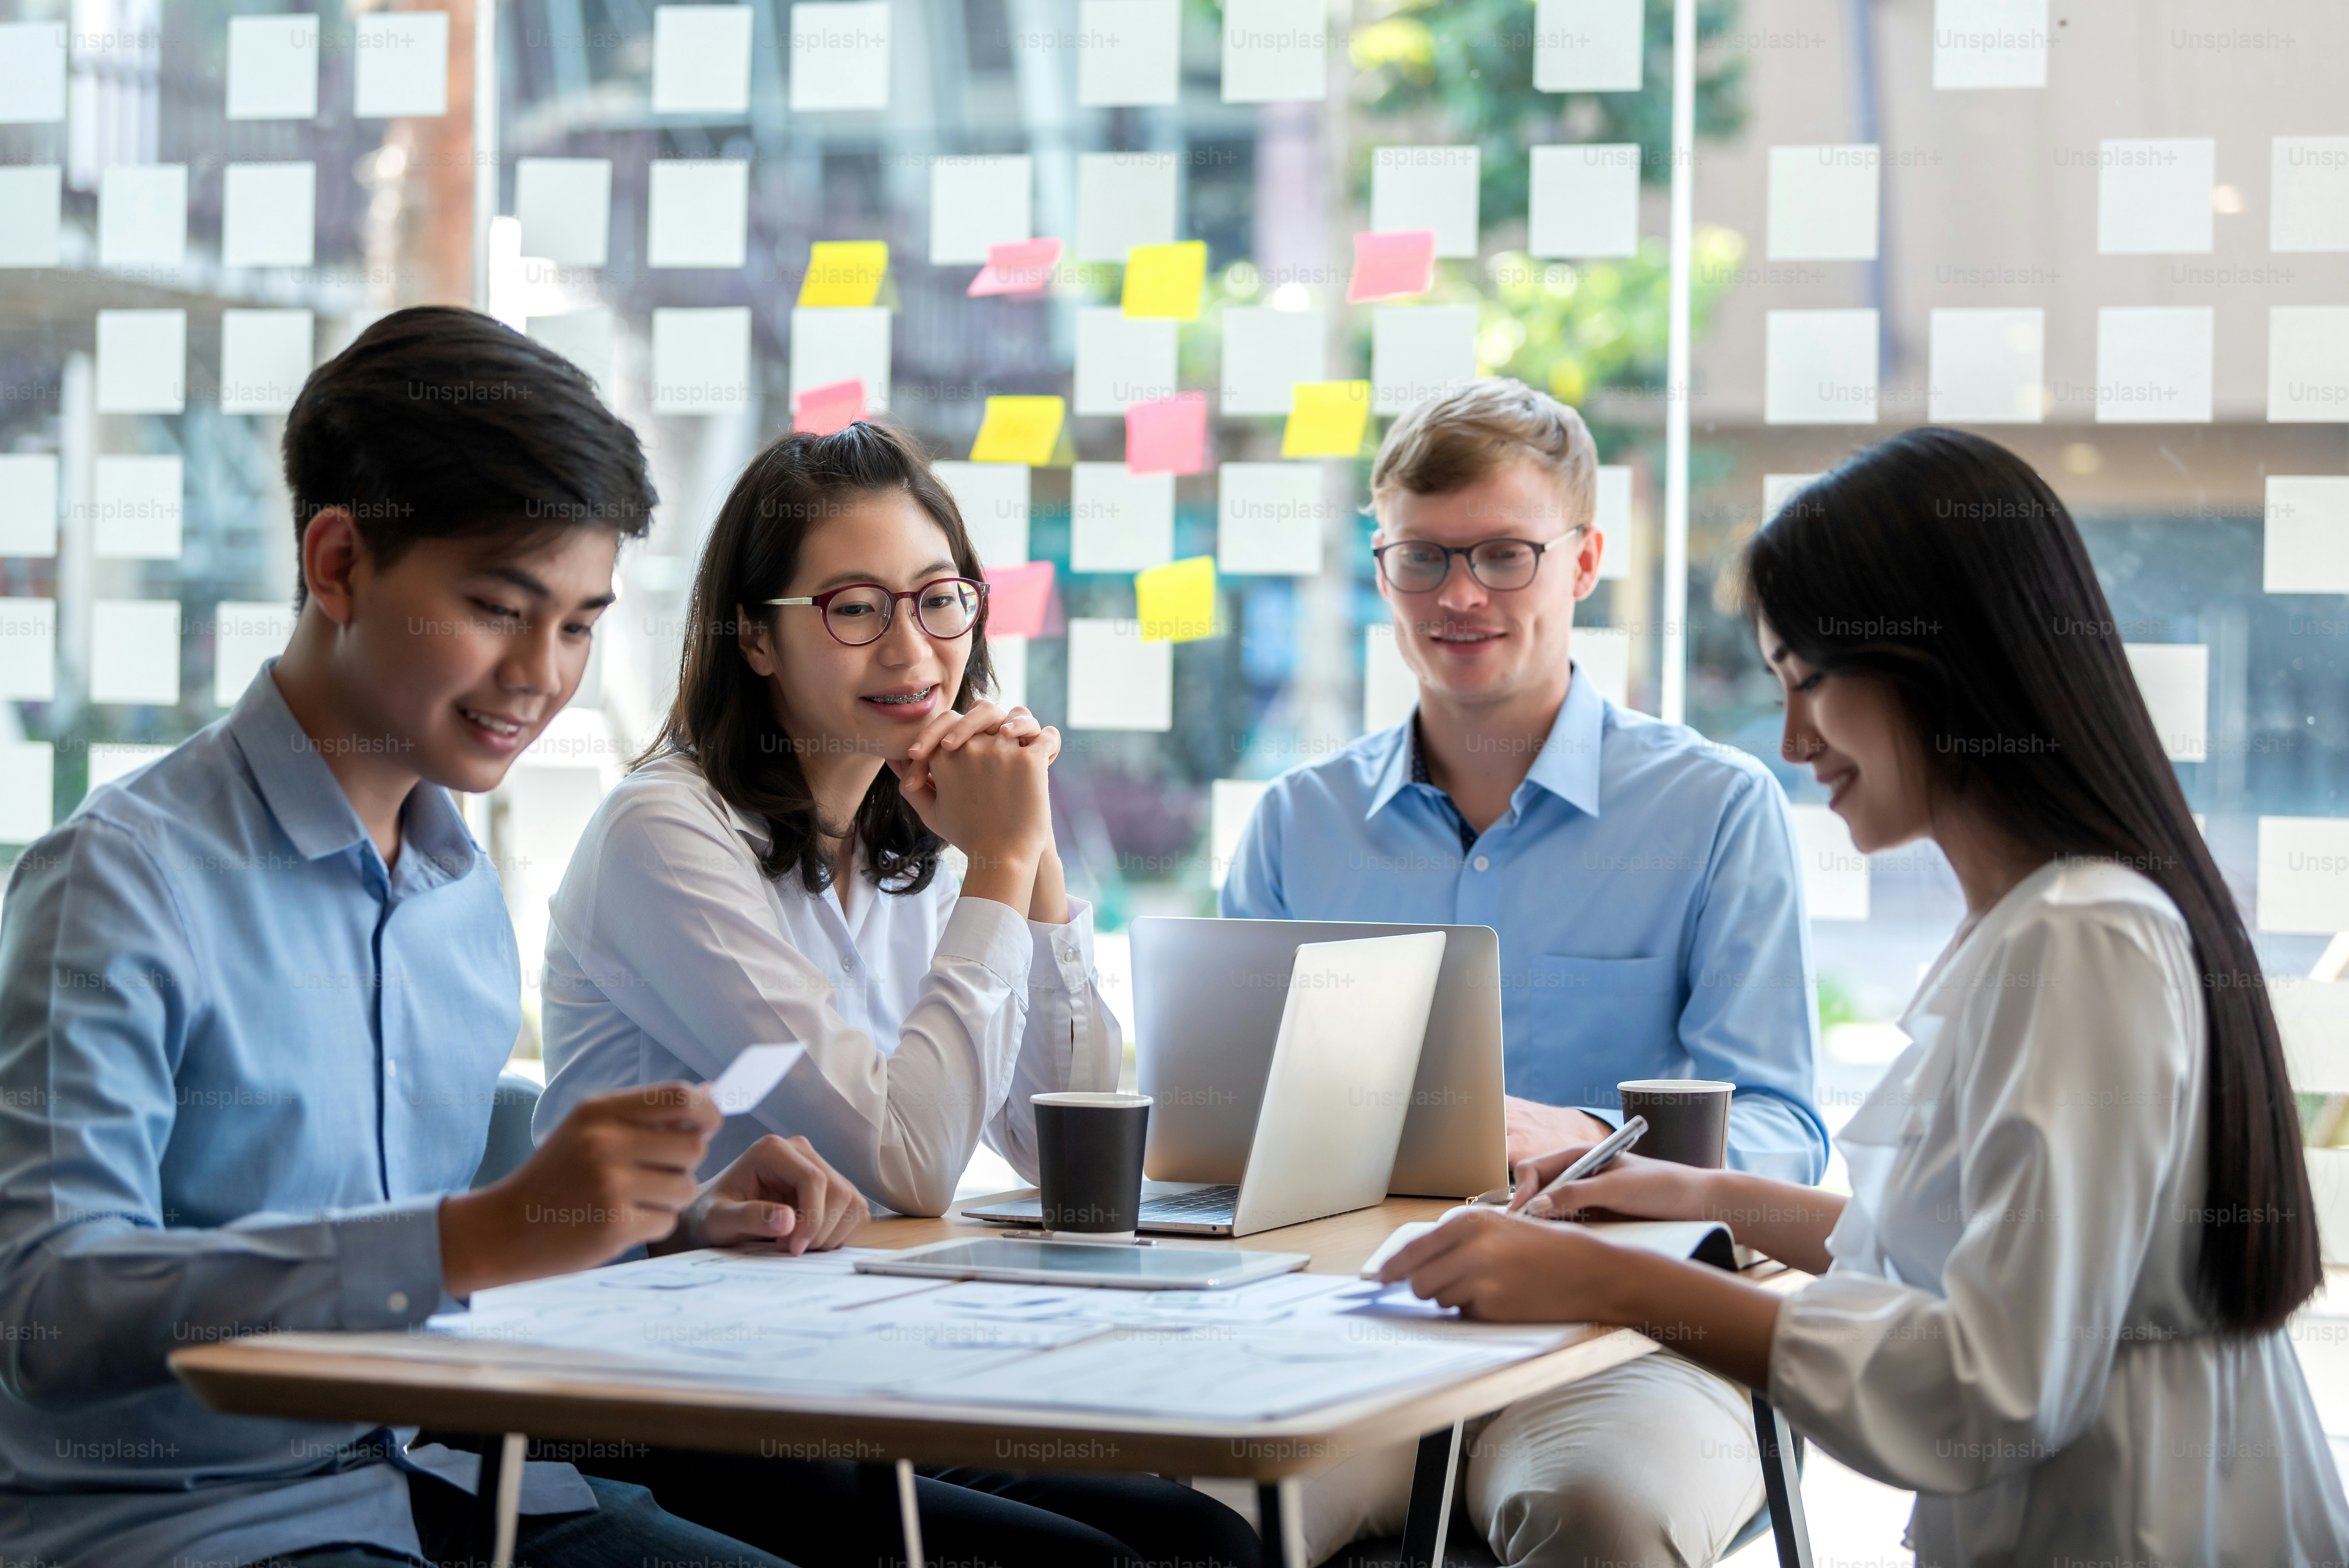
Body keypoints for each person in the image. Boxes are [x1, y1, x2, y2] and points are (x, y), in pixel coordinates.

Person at [1377, 426, 2349, 1563]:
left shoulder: (2084, 940)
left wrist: (1607, 1277)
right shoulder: (2040, 922)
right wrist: (1694, 1194)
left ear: (1941, 661)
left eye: (1809, 682)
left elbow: (1986, 1386)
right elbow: (1951, 1251)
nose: (1794, 742)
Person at [0, 307, 848, 1568]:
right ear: (338, 565)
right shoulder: (121, 881)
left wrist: (665, 1213)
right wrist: (467, 1242)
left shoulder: (455, 891)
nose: (542, 674)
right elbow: (49, 1310)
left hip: (446, 1478)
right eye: (500, 607)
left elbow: (441, 1221)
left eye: (578, 622)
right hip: (198, 1522)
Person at [533, 418, 1258, 1568]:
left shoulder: (918, 831)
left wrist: (1037, 855)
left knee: (1204, 1541)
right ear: (757, 642)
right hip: (667, 1392)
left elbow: (1057, 1145)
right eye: (855, 609)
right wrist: (1003, 866)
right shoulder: (666, 834)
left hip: (861, 1364)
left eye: (938, 599)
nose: (914, 650)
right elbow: (905, 1160)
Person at [1216, 378, 1826, 1565]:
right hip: (1353, 1332)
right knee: (1179, 1509)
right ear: (1378, 563)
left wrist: (1594, 1142)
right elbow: (1222, 1117)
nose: (1460, 596)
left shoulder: (1714, 809)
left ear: (1585, 561)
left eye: (1505, 555)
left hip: (1627, 1345)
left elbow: (1786, 1134)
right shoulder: (1298, 822)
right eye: (1424, 559)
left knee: (1592, 1513)